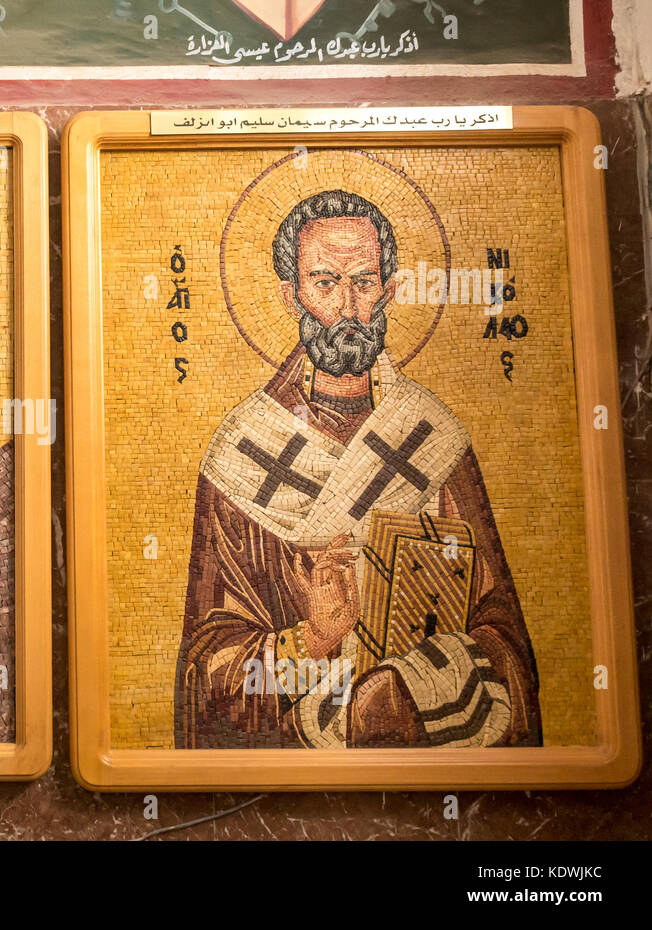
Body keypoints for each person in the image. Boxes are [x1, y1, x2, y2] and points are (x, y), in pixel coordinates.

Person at [175, 190, 542, 750]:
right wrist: (311, 641)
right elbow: (207, 674)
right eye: (324, 283)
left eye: (364, 283)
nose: (346, 306)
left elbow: (502, 633)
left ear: (389, 292)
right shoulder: (242, 454)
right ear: (291, 294)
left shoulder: (433, 439)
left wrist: (431, 666)